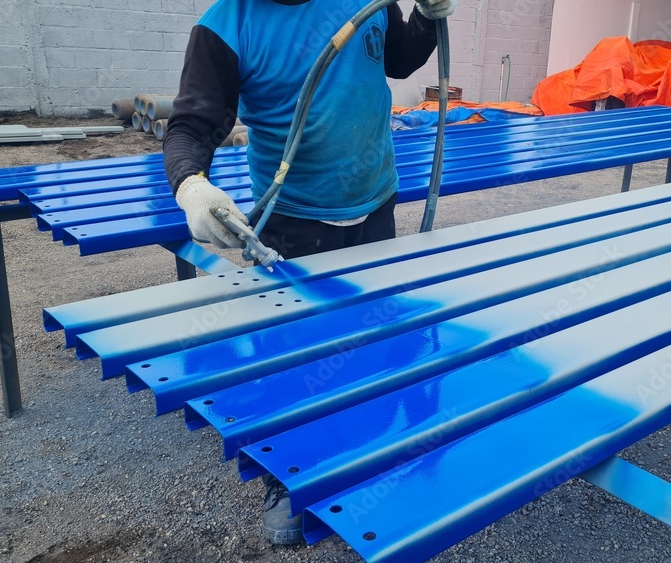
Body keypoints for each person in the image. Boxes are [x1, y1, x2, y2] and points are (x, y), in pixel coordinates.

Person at [162, 0, 457, 546]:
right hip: (294, 224)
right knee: (297, 359)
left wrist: (425, 18)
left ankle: (371, 446)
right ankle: (291, 477)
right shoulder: (228, 25)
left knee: (368, 335)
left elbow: (399, 59)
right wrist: (191, 185)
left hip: (374, 202)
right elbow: (192, 122)